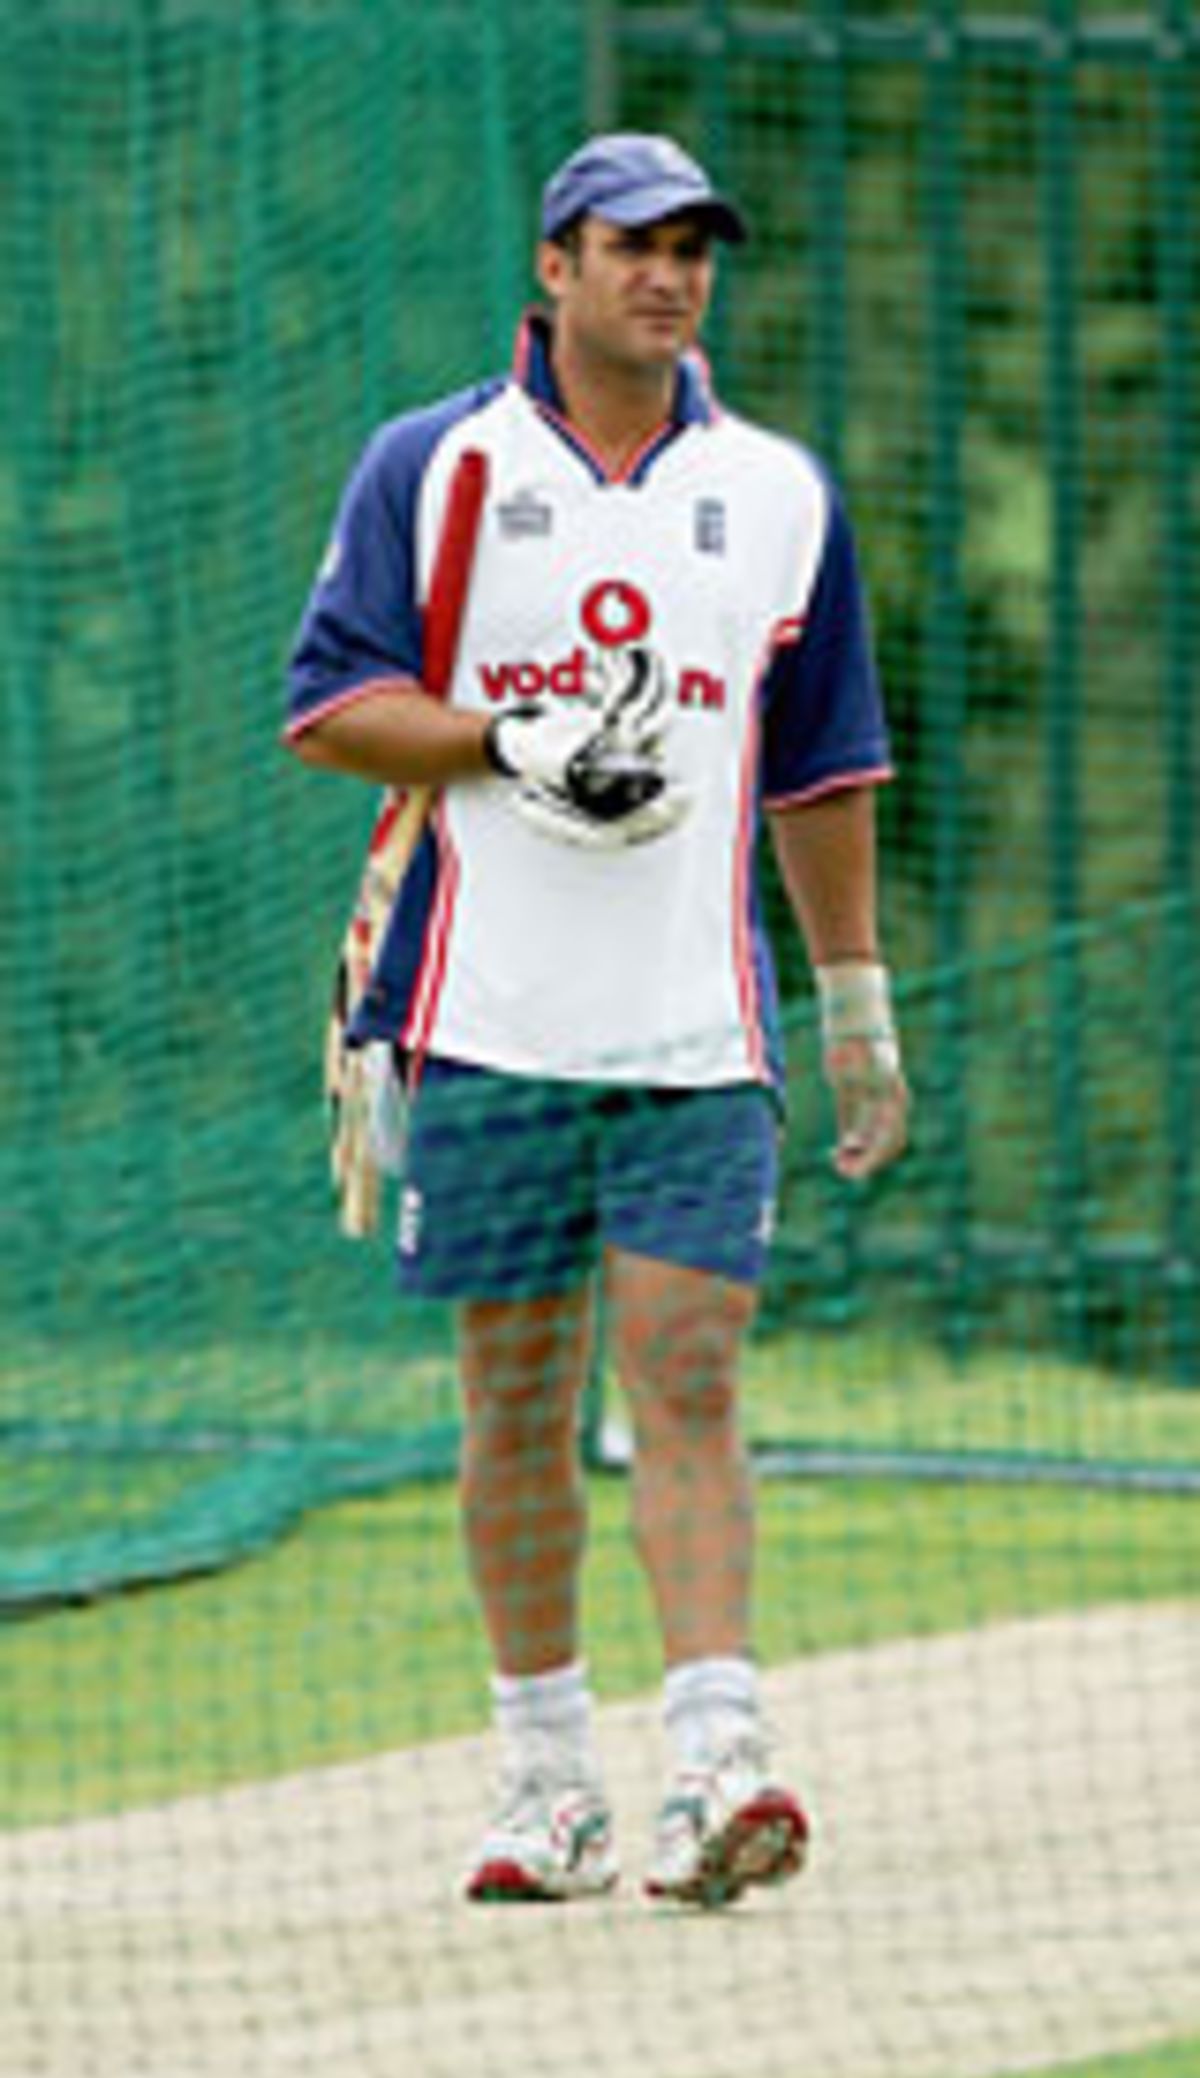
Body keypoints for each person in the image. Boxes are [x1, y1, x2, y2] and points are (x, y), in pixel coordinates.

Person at [284, 132, 909, 1909]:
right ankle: (542, 1773)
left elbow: (827, 764)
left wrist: (852, 1003)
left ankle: (717, 1761)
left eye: (694, 248)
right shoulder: (438, 465)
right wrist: (511, 739)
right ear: (554, 268)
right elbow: (332, 706)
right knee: (510, 1396)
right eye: (633, 245)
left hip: (696, 1041)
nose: (670, 275)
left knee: (692, 1371)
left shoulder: (777, 491)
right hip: (481, 1028)